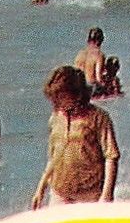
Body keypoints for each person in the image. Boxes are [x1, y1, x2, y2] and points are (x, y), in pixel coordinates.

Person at [31, 65, 119, 208]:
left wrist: (107, 195)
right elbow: (54, 157)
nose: (55, 103)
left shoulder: (98, 117)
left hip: (90, 194)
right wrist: (40, 189)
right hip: (60, 191)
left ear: (77, 95)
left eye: (60, 98)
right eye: (53, 98)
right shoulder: (56, 118)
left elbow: (111, 157)